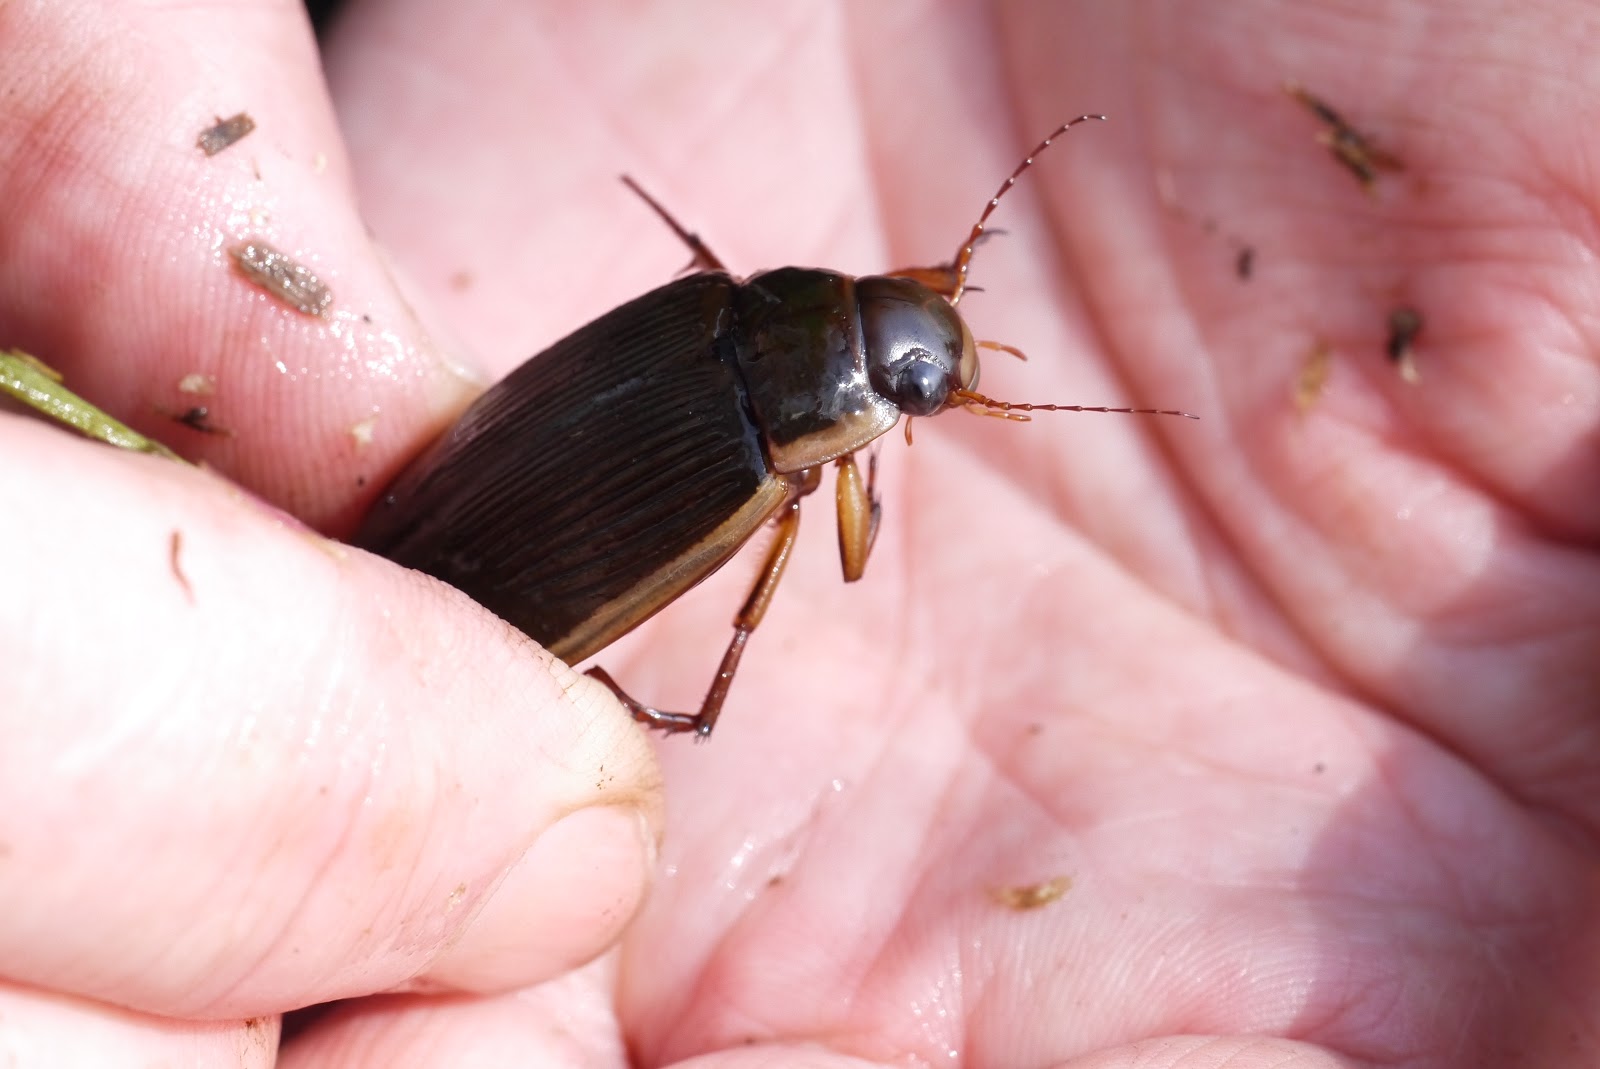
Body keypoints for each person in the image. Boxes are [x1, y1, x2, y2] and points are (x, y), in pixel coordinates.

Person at [1, 2, 1596, 1065]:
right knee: (662, 650)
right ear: (863, 410)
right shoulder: (781, 481)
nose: (944, 340)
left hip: (498, 499)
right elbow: (805, 553)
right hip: (498, 557)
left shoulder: (720, 301)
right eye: (923, 361)